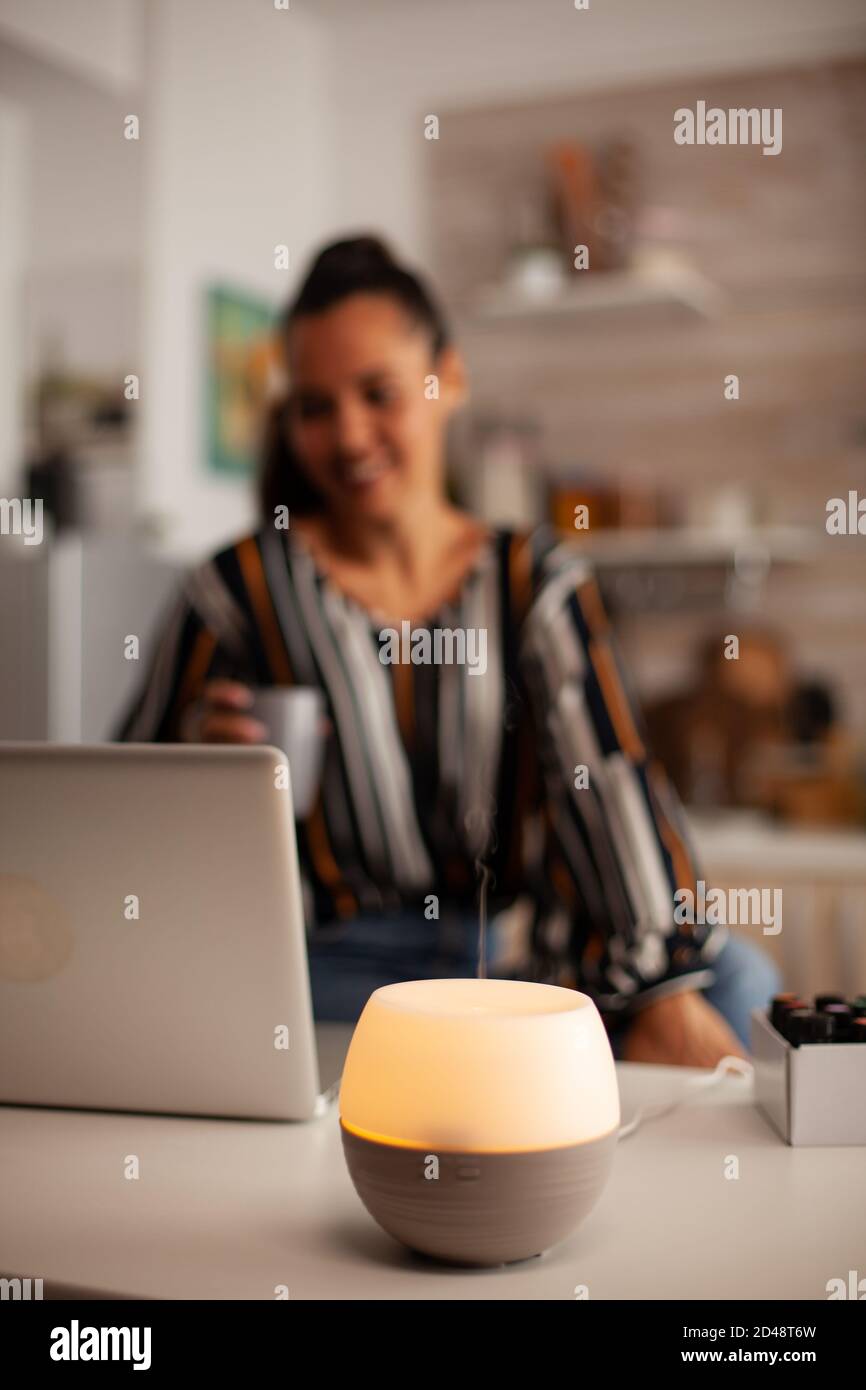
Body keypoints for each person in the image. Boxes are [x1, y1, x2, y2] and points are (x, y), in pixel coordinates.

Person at [115, 235, 781, 1067]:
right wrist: (195, 771)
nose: (349, 434)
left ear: (449, 380)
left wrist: (662, 989)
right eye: (315, 407)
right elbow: (121, 812)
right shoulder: (235, 590)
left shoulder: (534, 580)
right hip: (334, 968)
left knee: (737, 981)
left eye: (377, 393)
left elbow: (608, 784)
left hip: (521, 963)